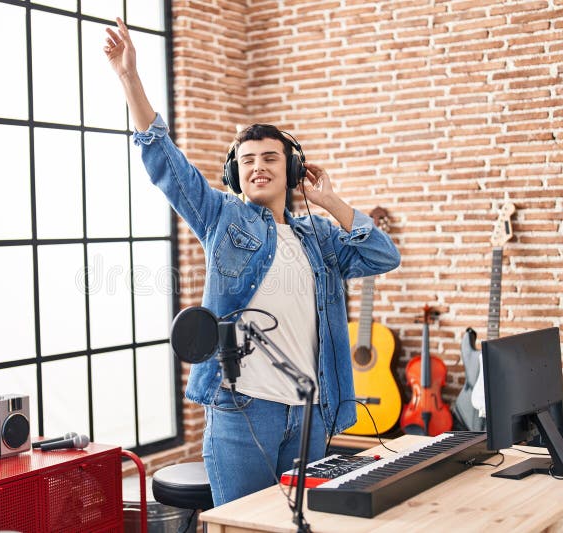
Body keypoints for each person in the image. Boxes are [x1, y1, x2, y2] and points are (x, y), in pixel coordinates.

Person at [104, 18, 400, 505]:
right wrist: (130, 79)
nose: (257, 166)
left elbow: (382, 255)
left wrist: (331, 202)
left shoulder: (320, 236)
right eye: (247, 161)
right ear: (236, 174)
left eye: (270, 158)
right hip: (243, 409)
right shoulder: (222, 217)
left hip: (312, 411)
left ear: (293, 170)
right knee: (244, 523)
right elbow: (166, 164)